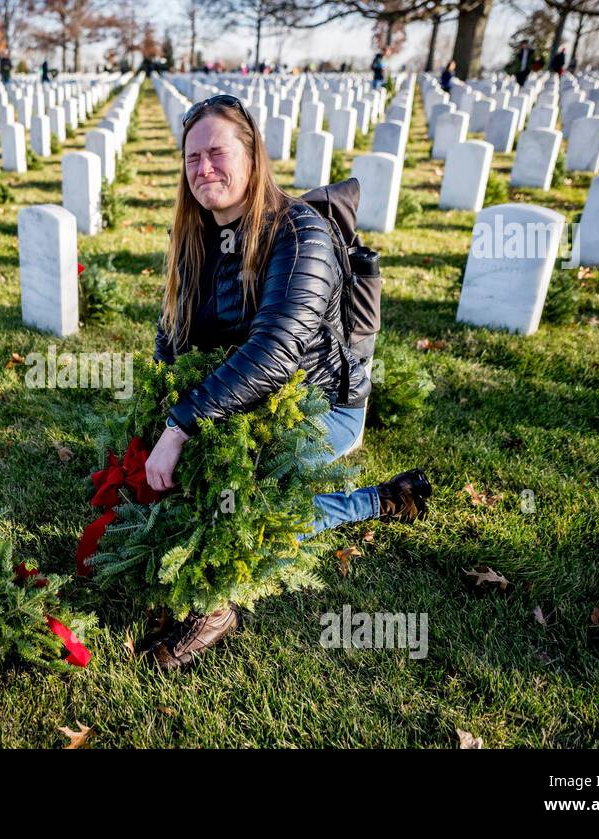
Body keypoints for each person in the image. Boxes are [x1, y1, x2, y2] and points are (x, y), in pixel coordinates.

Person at [140, 94, 433, 670]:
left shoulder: (301, 235)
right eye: (191, 158)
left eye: (217, 153)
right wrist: (160, 406)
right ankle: (377, 499)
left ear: (253, 155)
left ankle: (215, 604)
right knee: (168, 478)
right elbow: (172, 334)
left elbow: (275, 351)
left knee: (239, 500)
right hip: (244, 401)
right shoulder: (198, 235)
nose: (203, 170)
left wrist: (179, 427)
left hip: (319, 404)